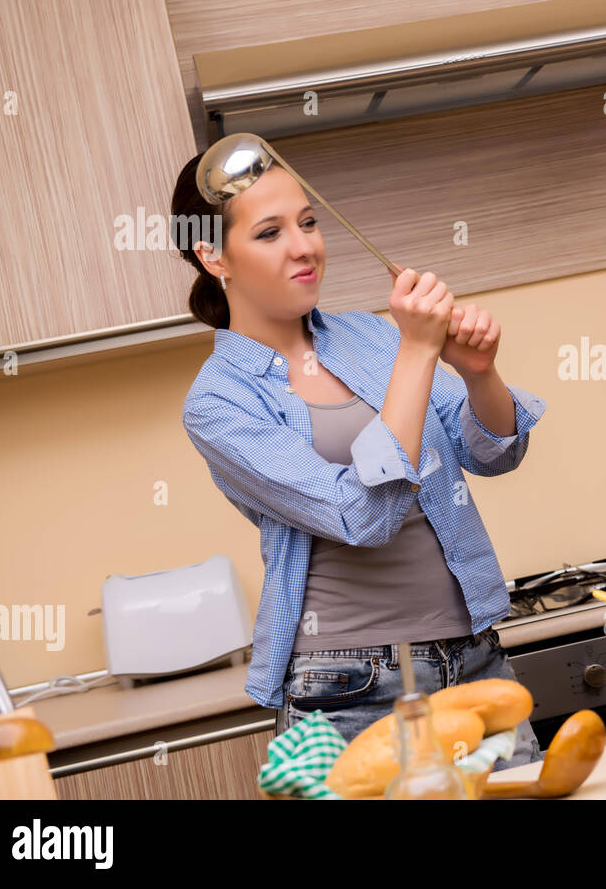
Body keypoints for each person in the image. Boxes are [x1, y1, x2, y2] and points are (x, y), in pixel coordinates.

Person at [172, 150, 545, 767]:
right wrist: (419, 355)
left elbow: (493, 453)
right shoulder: (218, 402)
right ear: (213, 256)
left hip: (477, 657)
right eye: (270, 233)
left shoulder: (371, 336)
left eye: (309, 223)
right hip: (351, 690)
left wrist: (480, 374)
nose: (304, 247)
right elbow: (363, 518)